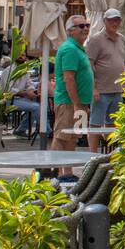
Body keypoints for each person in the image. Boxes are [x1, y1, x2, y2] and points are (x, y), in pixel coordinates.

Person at [51, 15, 94, 152]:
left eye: (87, 25)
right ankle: (52, 170)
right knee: (61, 137)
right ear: (70, 31)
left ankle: (66, 172)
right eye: (81, 26)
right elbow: (68, 79)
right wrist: (77, 104)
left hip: (78, 102)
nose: (86, 28)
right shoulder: (70, 49)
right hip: (69, 102)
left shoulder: (78, 48)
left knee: (72, 137)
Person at [85, 9, 125, 150]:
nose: (114, 23)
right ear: (105, 21)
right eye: (111, 20)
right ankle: (92, 154)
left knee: (112, 123)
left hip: (117, 89)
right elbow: (89, 65)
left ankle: (109, 153)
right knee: (95, 124)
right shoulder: (96, 39)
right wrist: (93, 88)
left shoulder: (121, 38)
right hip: (101, 90)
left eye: (117, 20)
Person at [5, 56, 40, 137]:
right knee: (36, 107)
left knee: (39, 103)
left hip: (21, 99)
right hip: (10, 100)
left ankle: (21, 129)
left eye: (24, 55)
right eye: (20, 54)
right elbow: (8, 90)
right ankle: (47, 132)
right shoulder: (8, 71)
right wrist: (25, 93)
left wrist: (30, 91)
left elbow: (30, 84)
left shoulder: (25, 70)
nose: (21, 56)